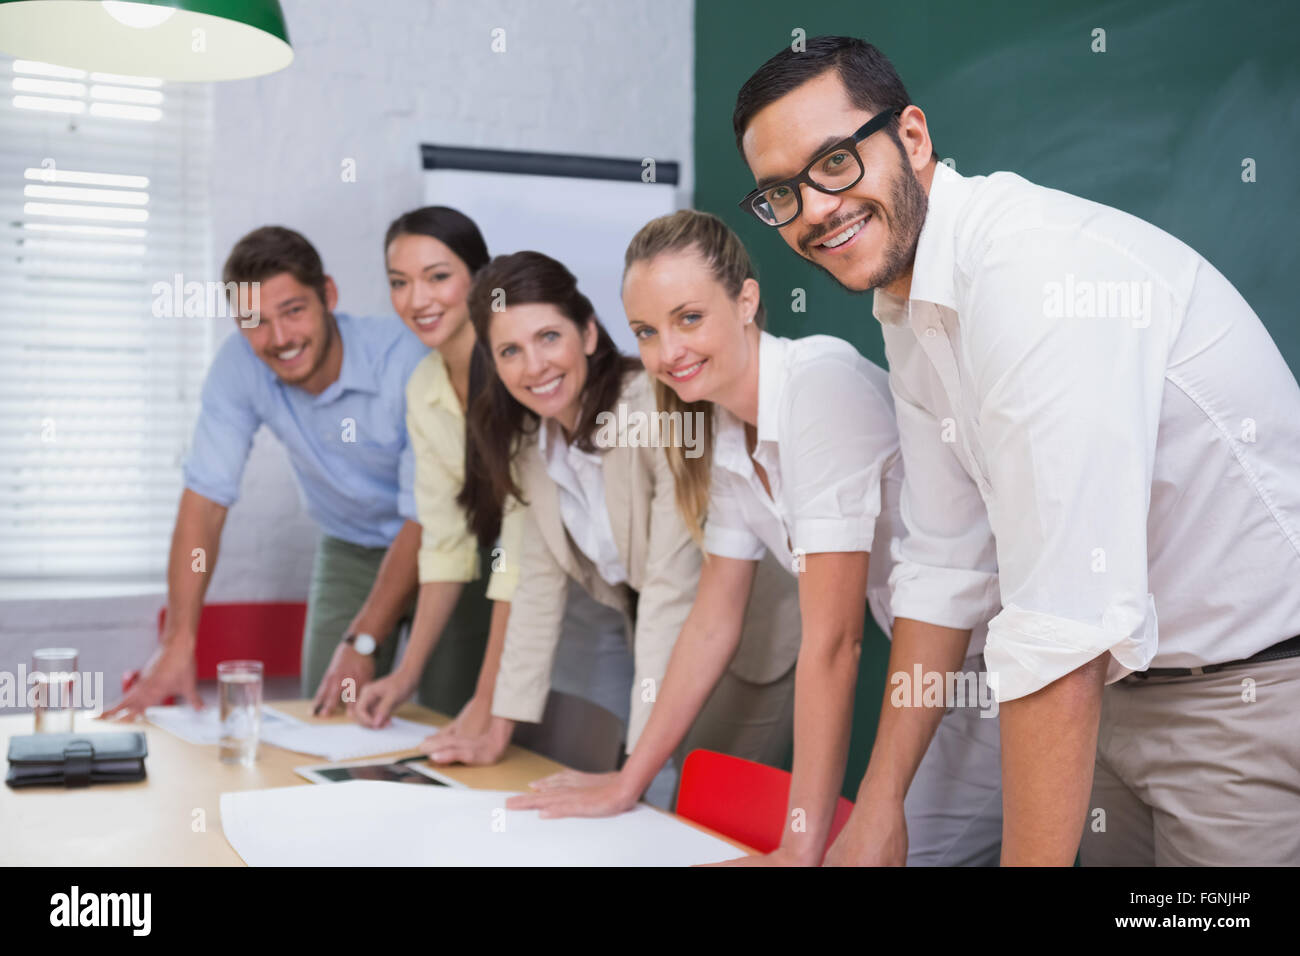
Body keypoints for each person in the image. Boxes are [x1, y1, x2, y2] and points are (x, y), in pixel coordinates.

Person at [732, 35, 1300, 866]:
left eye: (836, 163)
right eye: (781, 193)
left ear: (913, 139)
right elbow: (945, 562)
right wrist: (879, 805)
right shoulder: (911, 308)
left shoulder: (1034, 278)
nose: (815, 208)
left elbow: (1062, 624)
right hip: (1117, 693)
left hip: (1244, 696)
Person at [509, 211, 978, 867]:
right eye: (646, 331)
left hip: (996, 667)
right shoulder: (725, 431)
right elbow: (711, 622)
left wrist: (797, 847)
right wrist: (629, 780)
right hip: (938, 677)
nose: (667, 351)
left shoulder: (817, 388)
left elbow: (833, 643)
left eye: (688, 318)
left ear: (747, 300)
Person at [423, 250, 802, 805]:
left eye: (549, 337)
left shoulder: (651, 412)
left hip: (752, 638)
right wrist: (496, 730)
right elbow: (534, 595)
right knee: (657, 802)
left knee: (703, 811)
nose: (534, 366)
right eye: (510, 350)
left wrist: (633, 775)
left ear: (589, 334)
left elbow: (672, 589)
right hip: (670, 647)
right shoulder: (533, 447)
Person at [103, 226, 428, 720]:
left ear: (329, 296)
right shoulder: (239, 367)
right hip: (350, 546)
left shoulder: (405, 359)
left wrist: (364, 641)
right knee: (328, 715)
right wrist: (179, 639)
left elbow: (426, 515)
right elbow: (205, 504)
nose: (279, 338)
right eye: (254, 320)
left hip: (447, 544)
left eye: (294, 311)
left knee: (457, 718)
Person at [345, 207, 517, 735]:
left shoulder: (524, 368)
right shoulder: (425, 384)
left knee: (599, 737)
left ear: (479, 278)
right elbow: (445, 542)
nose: (417, 300)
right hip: (537, 584)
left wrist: (487, 698)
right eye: (400, 283)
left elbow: (523, 556)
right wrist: (405, 676)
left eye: (438, 277)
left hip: (591, 583)